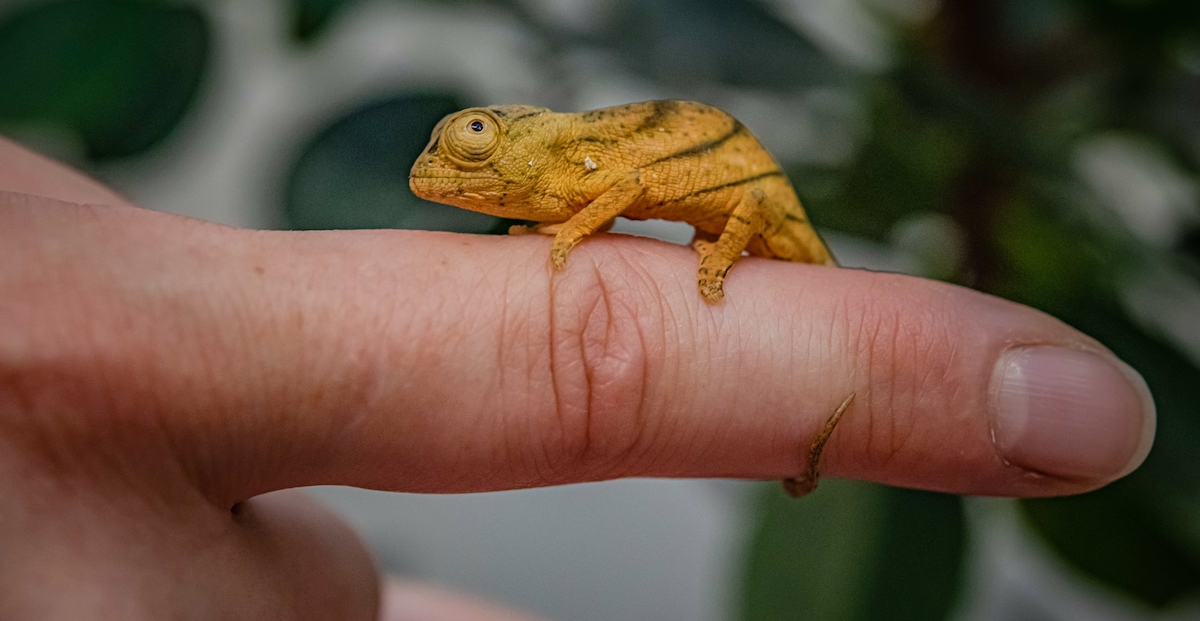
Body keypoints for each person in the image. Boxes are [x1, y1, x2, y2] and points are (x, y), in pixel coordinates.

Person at [0, 137, 1155, 620]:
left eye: (470, 151)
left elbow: (623, 189)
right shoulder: (537, 172)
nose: (452, 176)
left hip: (738, 191)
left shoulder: (571, 159)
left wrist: (617, 249)